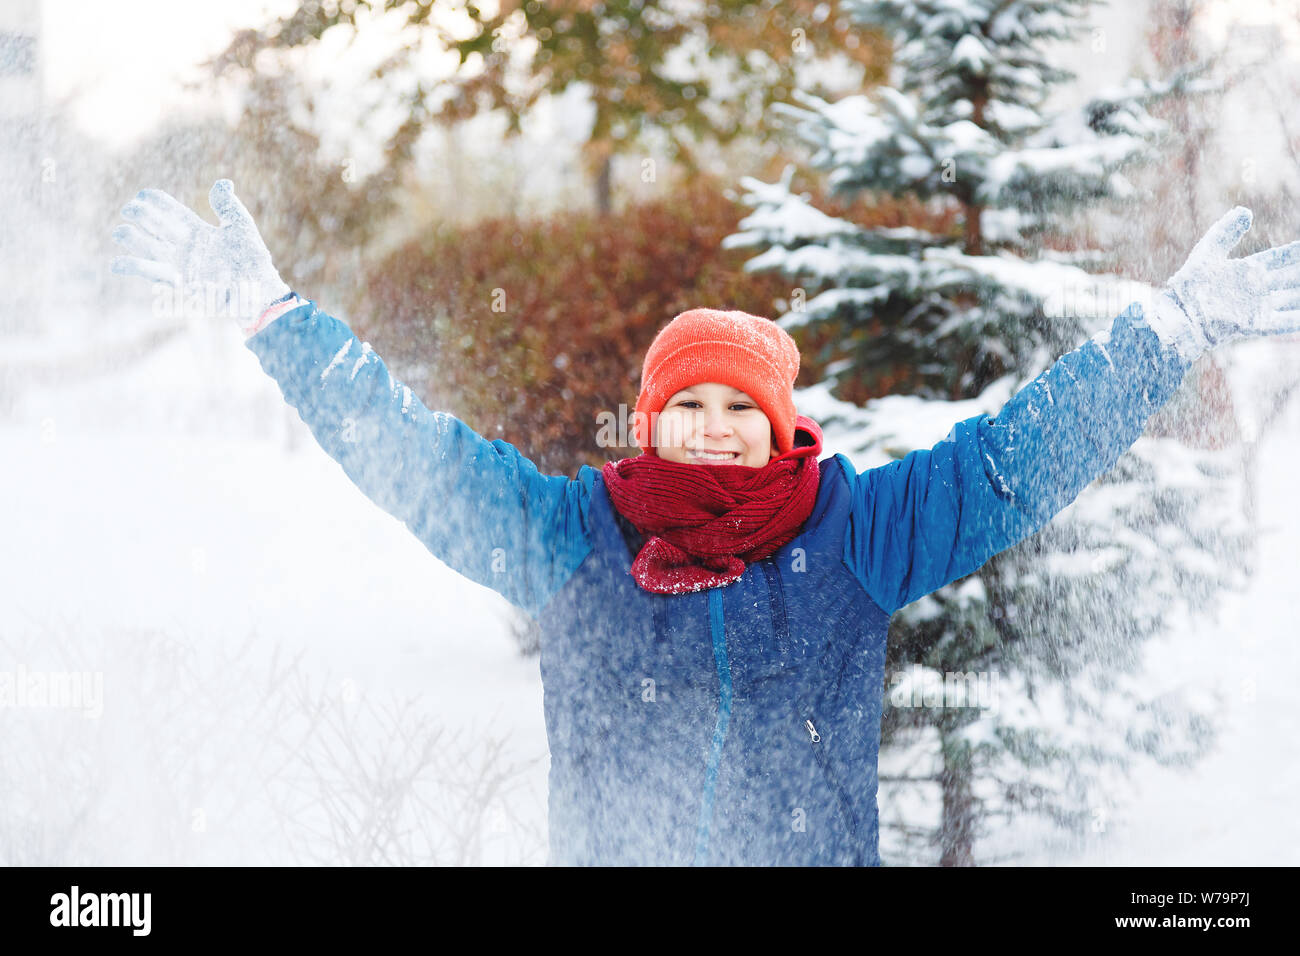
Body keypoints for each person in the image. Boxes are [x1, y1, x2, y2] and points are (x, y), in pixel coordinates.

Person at [111, 180, 1300, 865]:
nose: (719, 426)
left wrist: (1168, 336)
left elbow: (1008, 464)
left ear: (781, 423)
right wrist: (276, 320)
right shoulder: (573, 538)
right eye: (691, 406)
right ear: (650, 423)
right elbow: (412, 452)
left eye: (743, 406)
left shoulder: (853, 534)